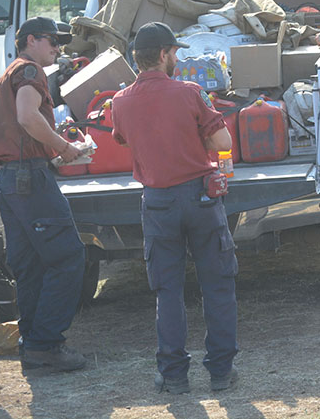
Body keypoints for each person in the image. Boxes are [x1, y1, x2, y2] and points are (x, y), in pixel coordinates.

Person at [111, 22, 238, 395]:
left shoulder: (120, 101)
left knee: (167, 291)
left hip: (157, 202)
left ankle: (173, 375)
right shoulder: (191, 93)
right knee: (217, 285)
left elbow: (122, 138)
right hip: (199, 198)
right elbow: (223, 140)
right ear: (165, 54)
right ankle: (219, 372)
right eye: (175, 53)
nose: (177, 59)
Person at [0, 16, 87, 372]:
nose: (58, 48)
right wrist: (61, 146)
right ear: (31, 40)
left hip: (11, 181)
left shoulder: (8, 75)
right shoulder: (30, 73)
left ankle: (33, 343)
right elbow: (28, 117)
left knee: (28, 265)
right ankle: (45, 345)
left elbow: (15, 126)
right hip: (29, 178)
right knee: (69, 257)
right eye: (53, 41)